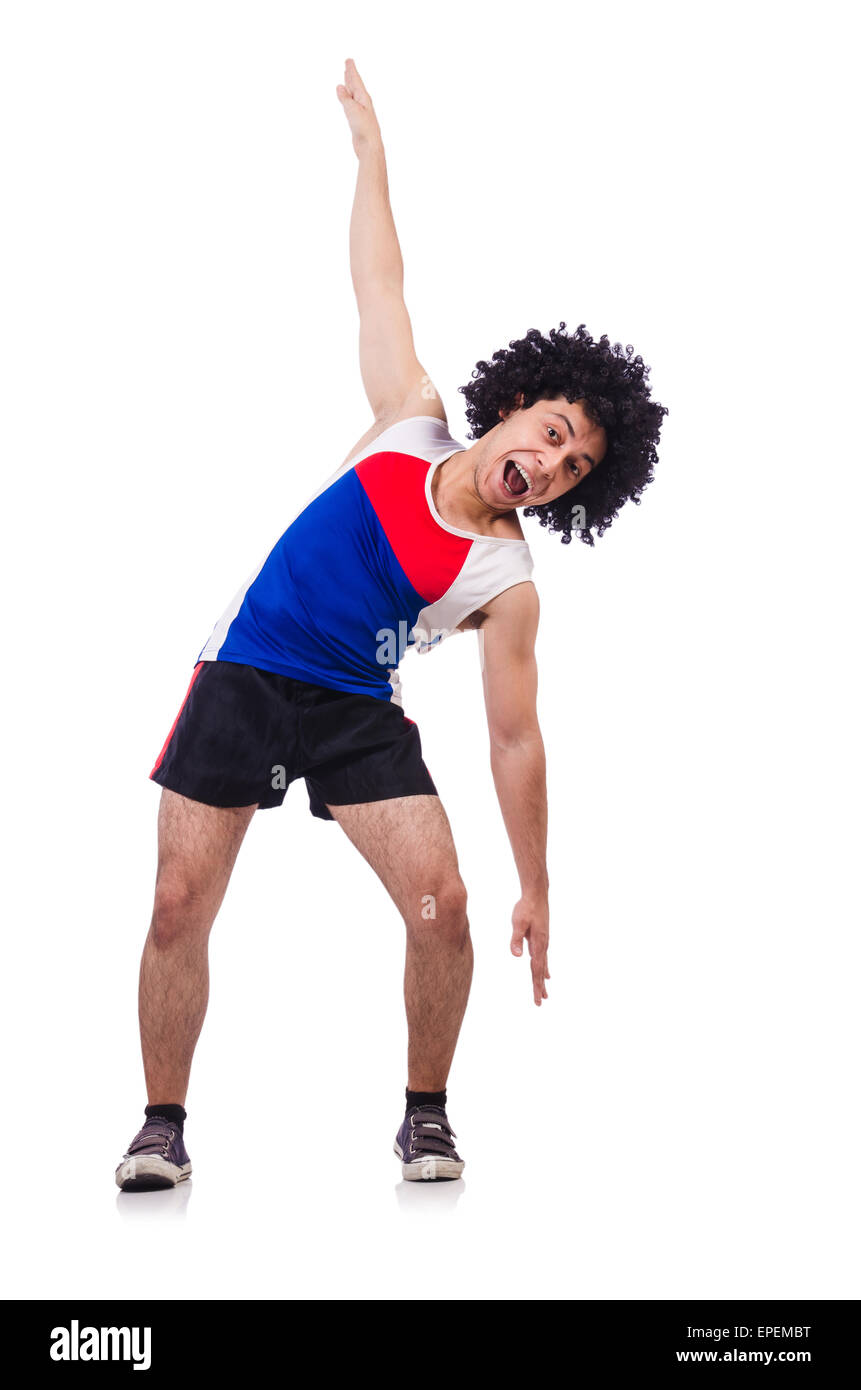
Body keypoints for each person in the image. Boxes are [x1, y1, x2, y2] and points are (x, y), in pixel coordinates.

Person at [115, 58, 667, 1190]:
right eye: (554, 430)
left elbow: (517, 740)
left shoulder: (505, 582)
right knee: (177, 901)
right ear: (514, 401)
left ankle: (425, 1113)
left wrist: (540, 882)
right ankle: (161, 1124)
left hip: (356, 707)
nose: (552, 463)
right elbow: (381, 279)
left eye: (572, 468)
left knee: (441, 903)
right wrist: (372, 155)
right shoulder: (409, 420)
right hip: (246, 671)